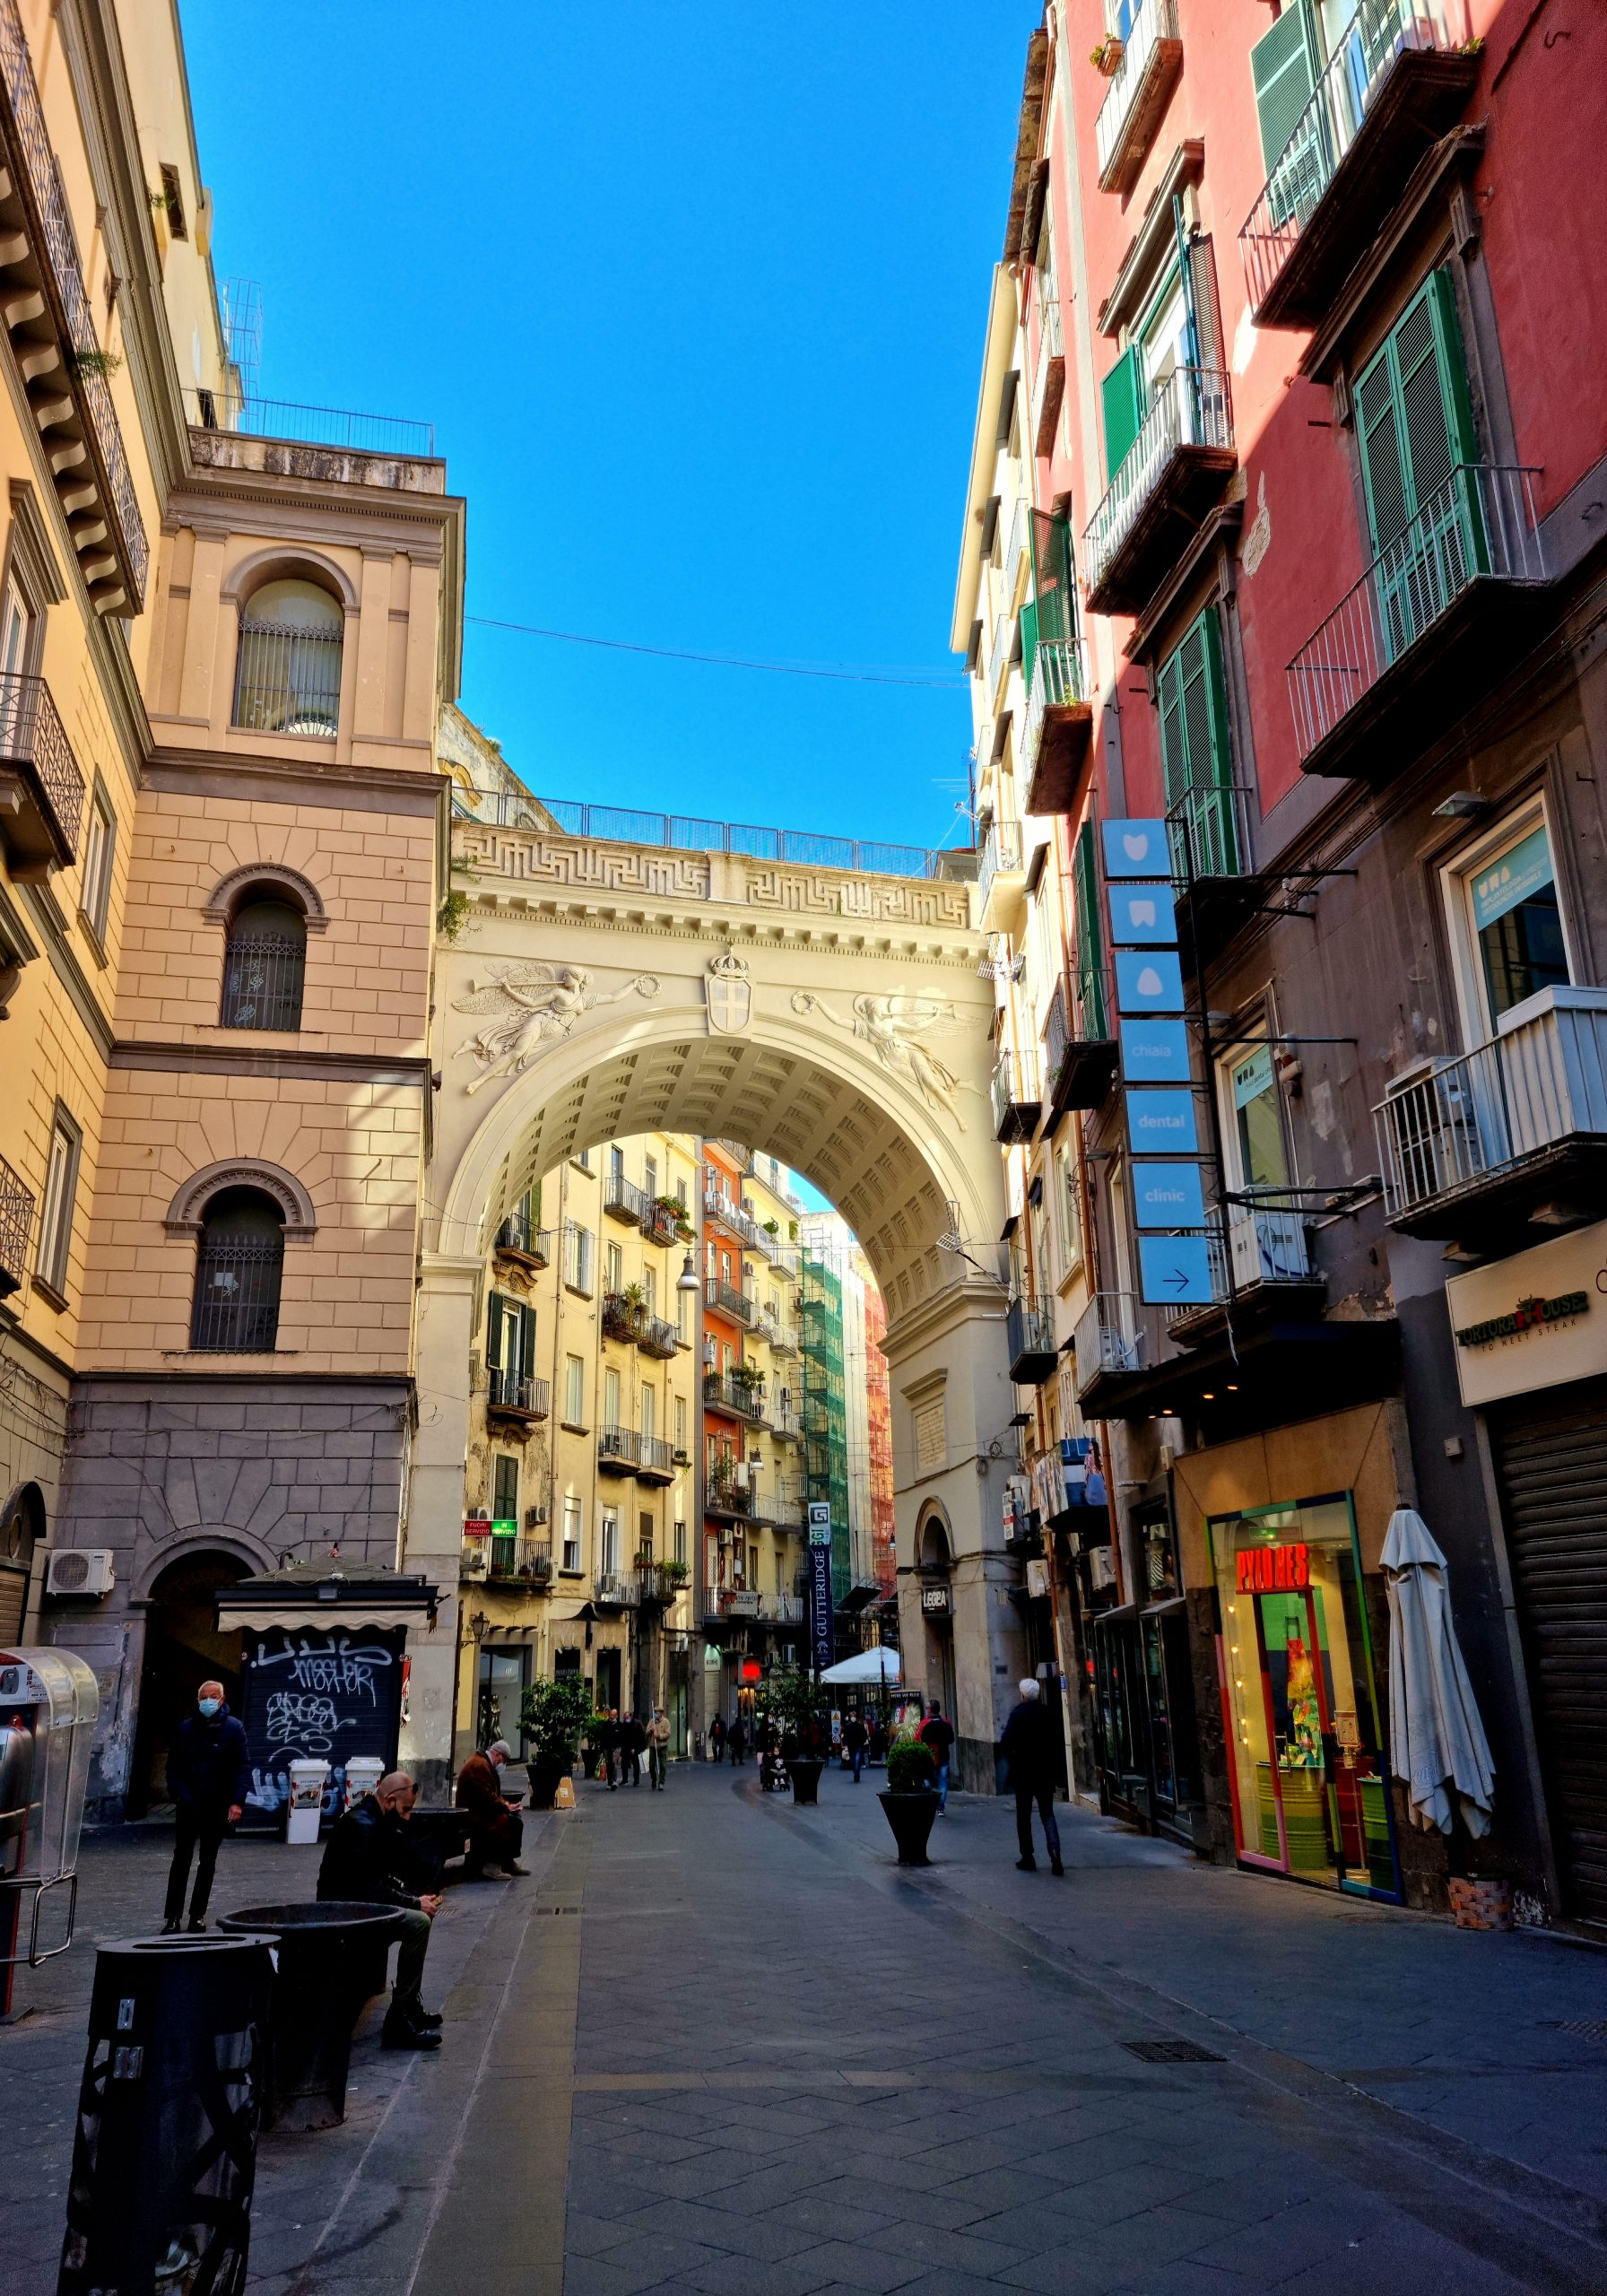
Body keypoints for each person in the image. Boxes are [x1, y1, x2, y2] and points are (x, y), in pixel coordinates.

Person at [318, 1770, 445, 2049]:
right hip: (347, 1914)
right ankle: (400, 2019)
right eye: (406, 1809)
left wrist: (415, 1897)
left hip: (360, 1906)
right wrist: (413, 1903)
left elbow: (382, 1877)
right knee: (418, 1923)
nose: (408, 1816)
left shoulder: (374, 1820)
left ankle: (408, 2007)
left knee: (421, 1916)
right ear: (389, 1800)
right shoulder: (362, 1825)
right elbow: (367, 1887)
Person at [161, 1680, 249, 1934]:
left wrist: (236, 1801)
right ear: (198, 1700)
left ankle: (197, 1915)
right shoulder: (186, 1729)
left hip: (217, 1804)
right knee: (181, 1860)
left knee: (208, 1861)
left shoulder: (234, 1729)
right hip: (189, 1803)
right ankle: (173, 1917)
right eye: (204, 1697)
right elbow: (174, 1767)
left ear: (222, 1700)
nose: (209, 1701)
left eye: (214, 1696)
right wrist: (179, 1795)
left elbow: (242, 1766)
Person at [1000, 1679, 1064, 1875]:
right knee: (1048, 1813)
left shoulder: (1017, 1715)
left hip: (1023, 1772)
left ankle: (1027, 1856)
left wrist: (1014, 1760)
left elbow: (1005, 1743)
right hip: (1044, 1772)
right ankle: (1055, 1856)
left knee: (1024, 1816)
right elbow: (1057, 1743)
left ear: (1022, 1695)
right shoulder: (1048, 1714)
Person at [454, 1739, 528, 1877]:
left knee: (515, 1820)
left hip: (478, 1810)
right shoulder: (479, 1765)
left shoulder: (483, 1764)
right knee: (503, 1821)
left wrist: (507, 1806)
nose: (503, 1765)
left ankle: (507, 1861)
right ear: (498, 1755)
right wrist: (506, 1807)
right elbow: (488, 1797)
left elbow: (490, 1795)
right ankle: (492, 1865)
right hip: (472, 1814)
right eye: (504, 1760)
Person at [918, 1702, 956, 1814]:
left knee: (927, 1779)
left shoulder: (925, 1724)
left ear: (930, 1710)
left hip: (929, 1756)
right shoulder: (946, 1723)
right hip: (944, 1756)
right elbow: (951, 1739)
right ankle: (940, 1807)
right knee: (942, 1782)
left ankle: (929, 1802)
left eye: (927, 1707)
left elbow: (920, 1739)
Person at [647, 1707, 672, 1789]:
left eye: (656, 1712)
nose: (655, 1714)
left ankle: (661, 1782)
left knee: (662, 1765)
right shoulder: (651, 1722)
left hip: (662, 1746)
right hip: (653, 1746)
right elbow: (646, 1733)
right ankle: (653, 1778)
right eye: (654, 1712)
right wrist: (650, 1731)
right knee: (651, 1765)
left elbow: (668, 1734)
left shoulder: (666, 1722)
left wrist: (659, 1736)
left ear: (661, 1713)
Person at [621, 1711, 647, 1787]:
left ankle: (636, 1780)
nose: (626, 1719)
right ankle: (624, 1779)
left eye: (627, 1718)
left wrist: (637, 1748)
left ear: (630, 1716)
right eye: (625, 1718)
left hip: (636, 1747)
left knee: (636, 1764)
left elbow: (641, 1736)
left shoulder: (637, 1723)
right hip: (626, 1747)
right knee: (624, 1764)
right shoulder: (624, 1724)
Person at [842, 1712, 867, 1784]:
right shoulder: (847, 1726)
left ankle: (856, 1775)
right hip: (851, 1747)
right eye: (851, 1716)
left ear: (856, 1717)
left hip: (858, 1746)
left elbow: (864, 1735)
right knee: (852, 1762)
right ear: (850, 1717)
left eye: (854, 1716)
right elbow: (845, 1736)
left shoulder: (860, 1726)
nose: (853, 1717)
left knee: (857, 1760)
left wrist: (862, 1742)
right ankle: (856, 1773)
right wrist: (845, 1744)